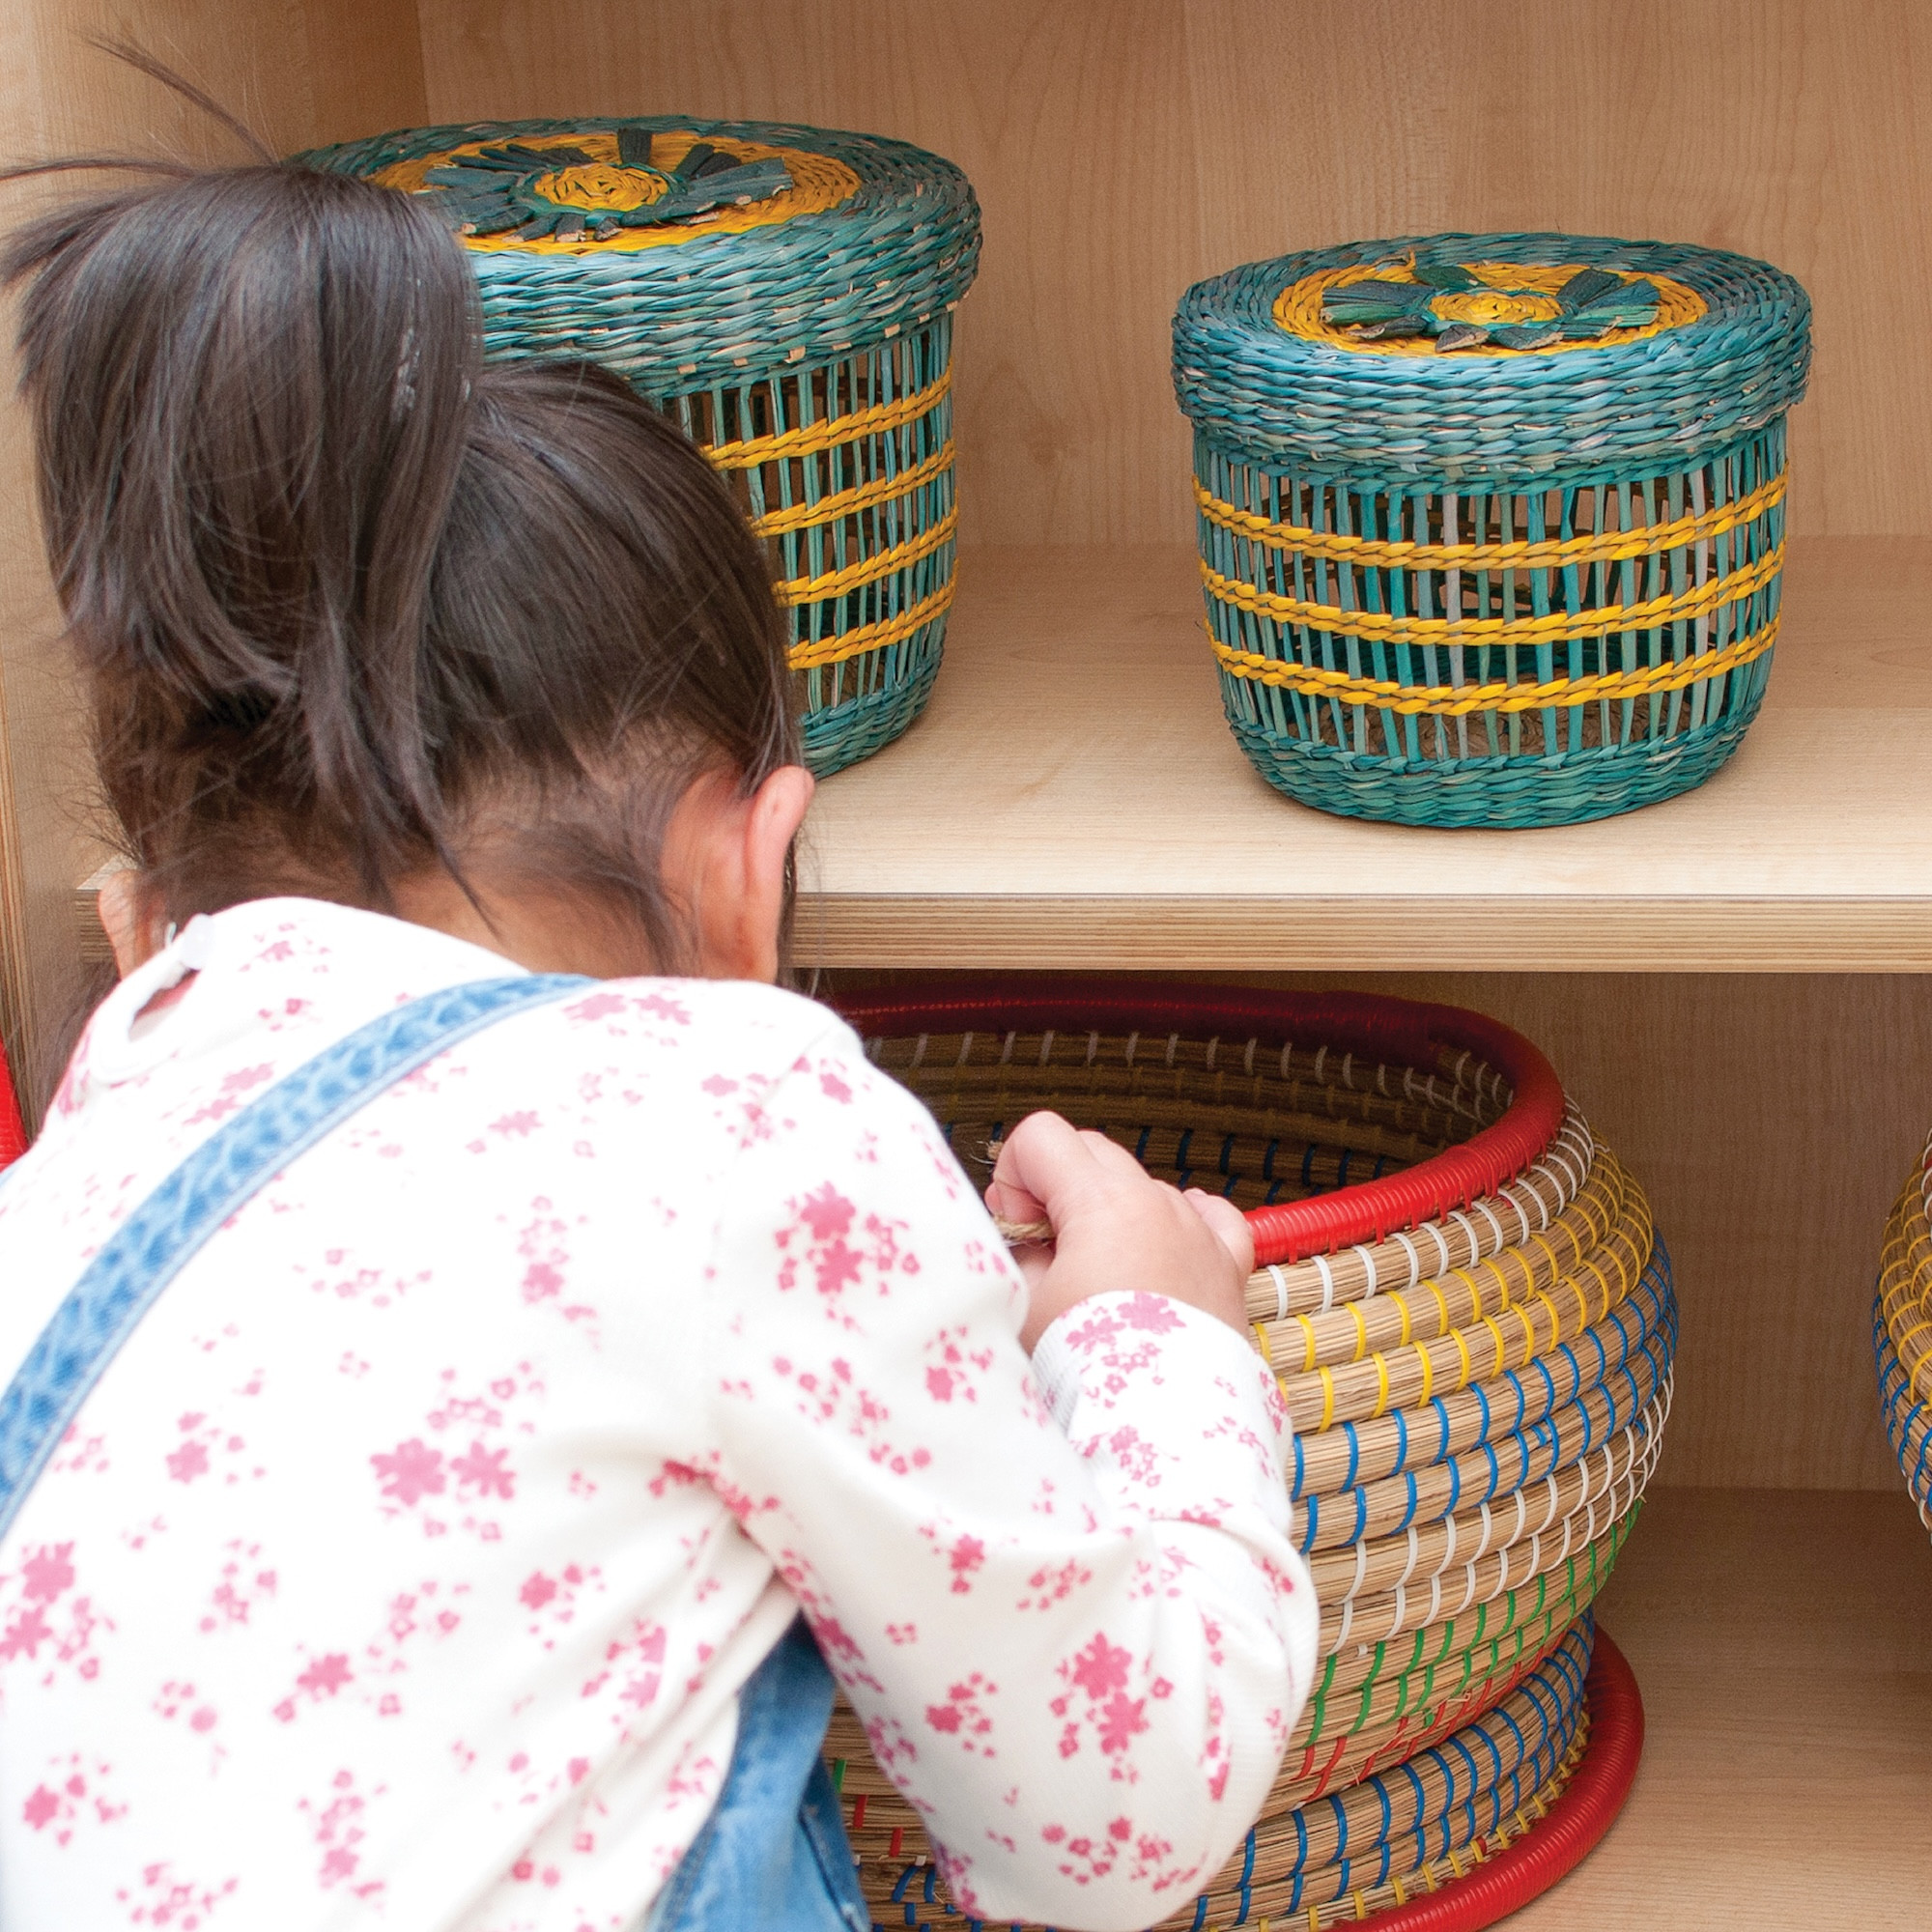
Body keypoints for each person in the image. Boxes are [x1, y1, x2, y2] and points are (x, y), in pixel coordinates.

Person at [0, 150, 1316, 1932]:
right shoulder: (741, 1123)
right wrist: (1155, 1343)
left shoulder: (77, 1166)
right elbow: (1113, 1826)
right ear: (742, 865)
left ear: (144, 919)